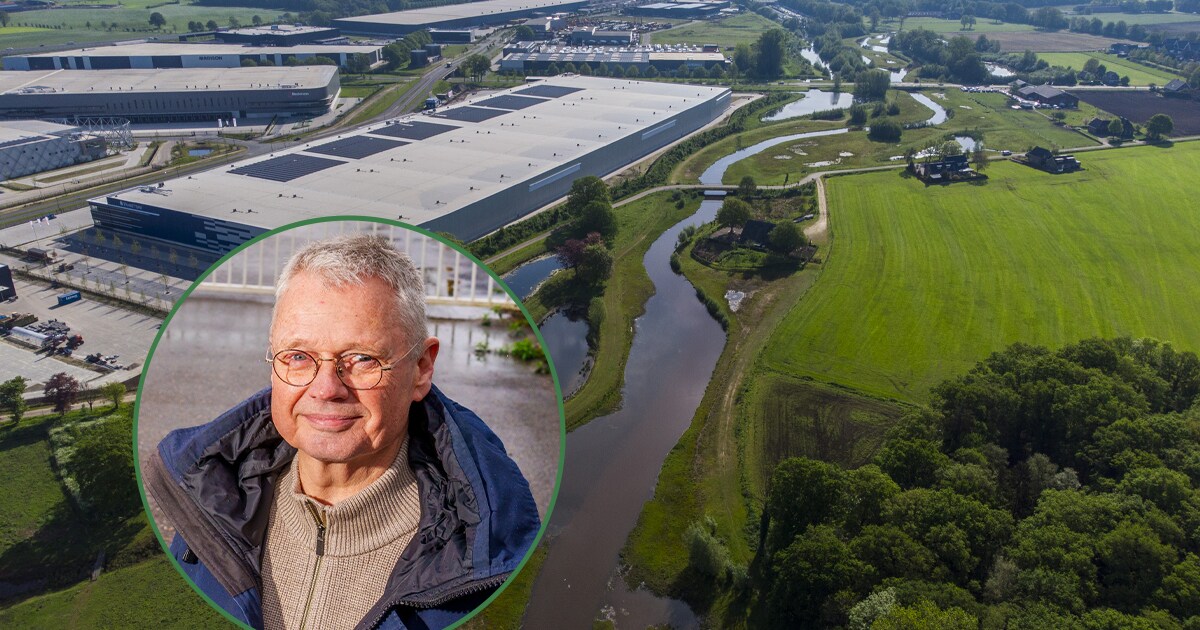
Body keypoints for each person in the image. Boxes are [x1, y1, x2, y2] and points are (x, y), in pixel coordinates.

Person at [144, 234, 540, 630]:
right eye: (298, 357)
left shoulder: (489, 561)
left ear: (421, 369)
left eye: (362, 359)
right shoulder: (205, 501)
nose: (326, 388)